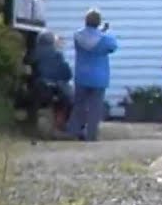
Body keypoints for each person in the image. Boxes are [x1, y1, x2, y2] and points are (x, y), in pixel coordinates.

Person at [64, 8, 118, 141]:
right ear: (99, 22)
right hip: (99, 78)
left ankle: (73, 132)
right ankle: (91, 135)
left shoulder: (77, 36)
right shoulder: (105, 39)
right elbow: (113, 46)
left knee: (79, 106)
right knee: (95, 108)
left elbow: (89, 38)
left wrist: (100, 31)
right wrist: (104, 31)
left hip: (82, 76)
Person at [31, 30, 73, 133]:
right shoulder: (57, 55)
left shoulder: (34, 54)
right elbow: (66, 73)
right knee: (68, 100)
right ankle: (65, 126)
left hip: (40, 88)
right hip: (57, 88)